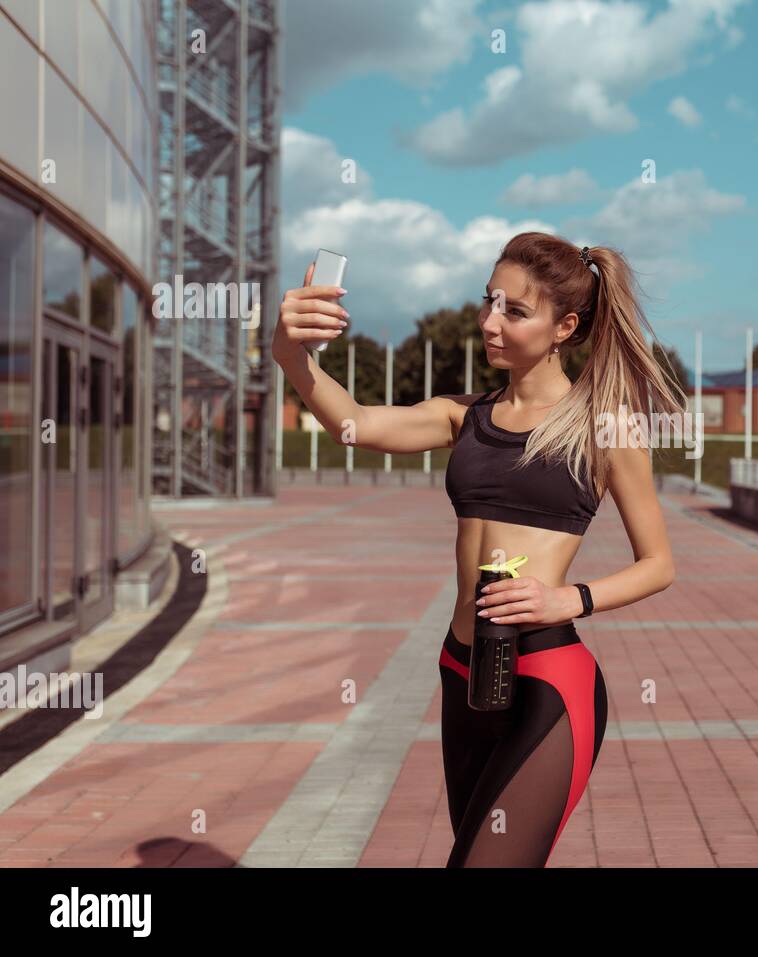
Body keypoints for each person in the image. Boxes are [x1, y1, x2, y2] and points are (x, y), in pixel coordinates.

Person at [272, 233, 685, 866]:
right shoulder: (464, 417)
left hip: (547, 680)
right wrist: (290, 350)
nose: (489, 322)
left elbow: (659, 564)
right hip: (462, 670)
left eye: (515, 311)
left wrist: (566, 599)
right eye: (489, 301)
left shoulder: (606, 424)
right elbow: (353, 422)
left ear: (564, 326)